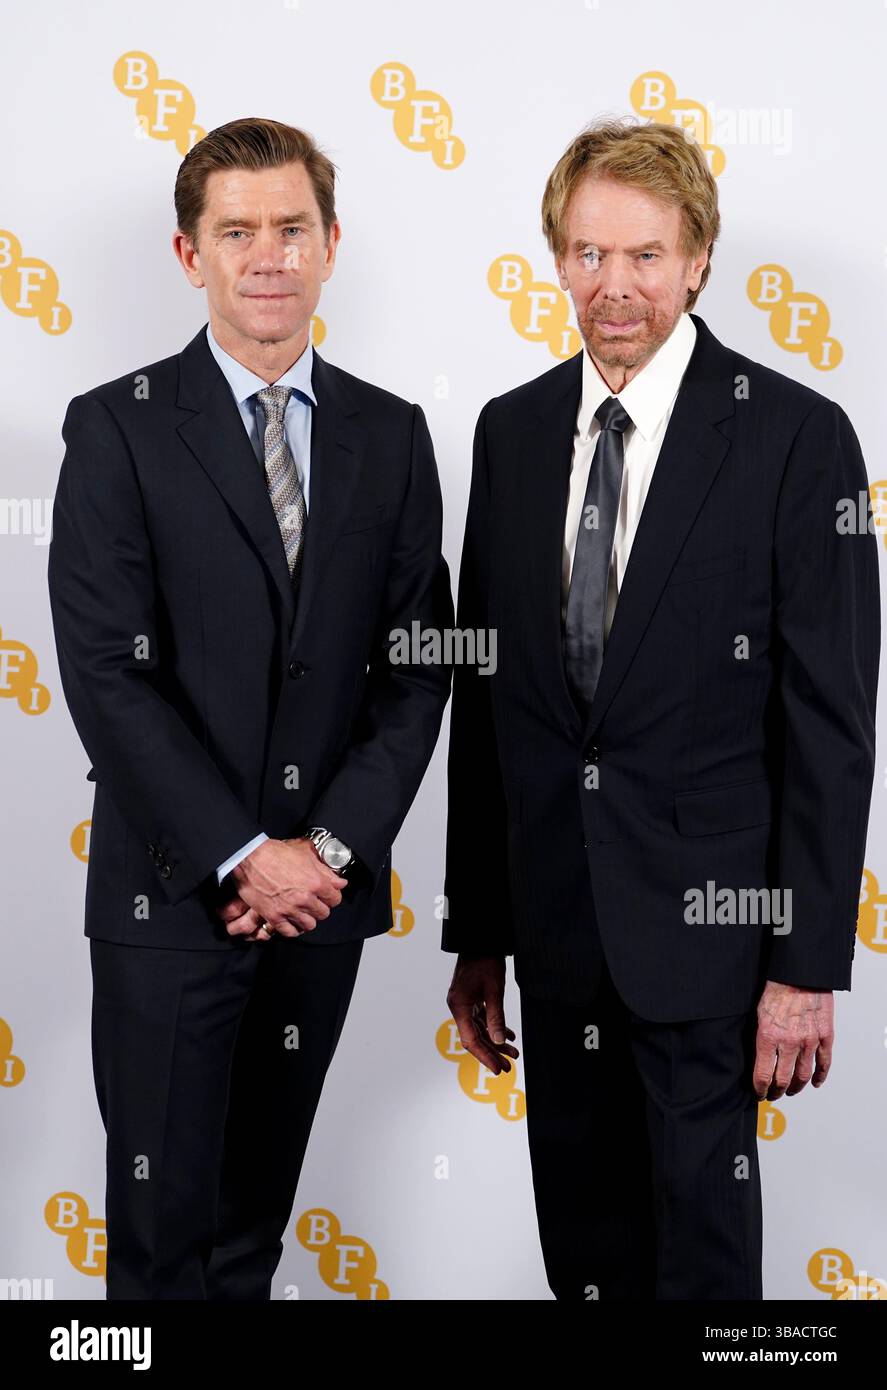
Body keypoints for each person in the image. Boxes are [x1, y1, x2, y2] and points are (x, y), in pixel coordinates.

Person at [442, 117, 880, 1300]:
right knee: (581, 1257)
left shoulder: (795, 438)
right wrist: (478, 928)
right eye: (587, 254)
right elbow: (488, 702)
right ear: (556, 261)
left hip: (712, 945)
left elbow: (830, 724)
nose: (614, 286)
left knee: (698, 1268)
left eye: (643, 255)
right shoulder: (511, 431)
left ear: (695, 259)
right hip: (556, 933)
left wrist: (801, 965)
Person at [48, 116, 453, 1299]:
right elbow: (106, 676)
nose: (266, 256)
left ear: (330, 244)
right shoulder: (115, 425)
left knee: (250, 1236)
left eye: (290, 229)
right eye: (237, 232)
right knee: (162, 1250)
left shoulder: (392, 433)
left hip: (318, 903)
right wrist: (240, 854)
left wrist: (320, 850)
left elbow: (416, 661)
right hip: (172, 899)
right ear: (190, 255)